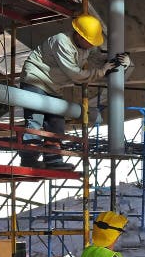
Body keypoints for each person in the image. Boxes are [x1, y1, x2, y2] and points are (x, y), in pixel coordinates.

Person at [19, 14, 131, 169]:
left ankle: (53, 161)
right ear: (78, 35)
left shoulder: (84, 46)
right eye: (89, 42)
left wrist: (119, 62)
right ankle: (28, 161)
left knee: (56, 122)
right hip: (35, 80)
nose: (91, 45)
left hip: (53, 85)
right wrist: (101, 72)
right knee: (35, 120)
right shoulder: (61, 42)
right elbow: (75, 74)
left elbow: (97, 58)